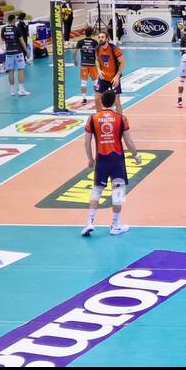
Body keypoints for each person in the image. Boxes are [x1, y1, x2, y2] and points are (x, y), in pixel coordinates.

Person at [81, 90, 141, 237]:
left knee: (97, 190)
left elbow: (87, 142)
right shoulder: (121, 119)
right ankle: (115, 225)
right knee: (118, 192)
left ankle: (90, 221)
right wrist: (136, 155)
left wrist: (90, 159)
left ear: (101, 101)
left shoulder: (92, 118)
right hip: (117, 160)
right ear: (114, 102)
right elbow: (128, 141)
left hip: (101, 159)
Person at [94, 30, 125, 115]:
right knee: (97, 98)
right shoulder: (97, 48)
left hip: (113, 78)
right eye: (99, 37)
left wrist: (117, 76)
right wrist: (98, 70)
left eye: (102, 37)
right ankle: (99, 117)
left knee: (117, 100)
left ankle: (120, 120)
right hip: (103, 78)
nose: (100, 39)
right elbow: (96, 60)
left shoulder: (114, 49)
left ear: (107, 39)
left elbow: (123, 62)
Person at [0, 13, 30, 96]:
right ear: (13, 20)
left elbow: (2, 39)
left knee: (11, 71)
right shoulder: (17, 29)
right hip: (18, 52)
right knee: (21, 69)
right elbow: (21, 41)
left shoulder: (3, 29)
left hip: (8, 53)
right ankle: (21, 90)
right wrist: (26, 51)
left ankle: (12, 91)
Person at [73, 25, 100, 107]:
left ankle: (84, 98)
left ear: (85, 33)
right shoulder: (95, 42)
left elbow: (75, 53)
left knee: (83, 82)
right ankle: (97, 97)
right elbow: (98, 54)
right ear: (92, 33)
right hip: (92, 64)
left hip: (84, 64)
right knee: (95, 82)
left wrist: (75, 60)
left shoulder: (80, 42)